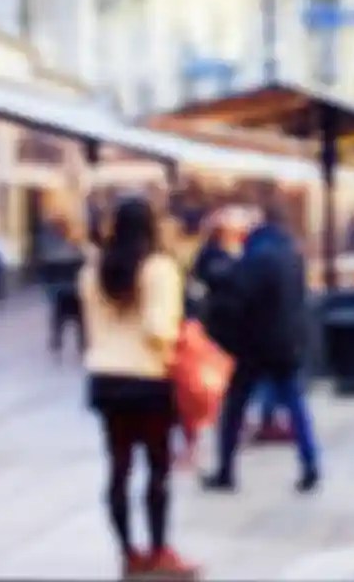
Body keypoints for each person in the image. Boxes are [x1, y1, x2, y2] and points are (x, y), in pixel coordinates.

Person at [79, 196, 198, 578]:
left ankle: (128, 552)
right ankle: (160, 548)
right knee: (157, 469)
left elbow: (91, 329)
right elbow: (159, 330)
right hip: (148, 380)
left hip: (105, 379)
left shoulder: (93, 270)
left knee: (118, 468)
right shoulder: (158, 268)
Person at [201, 200, 320, 493]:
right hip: (288, 342)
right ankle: (310, 463)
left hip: (256, 345)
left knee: (235, 406)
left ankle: (226, 469)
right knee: (295, 403)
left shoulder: (257, 256)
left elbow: (237, 291)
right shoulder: (292, 253)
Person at [37, 216, 86, 360]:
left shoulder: (53, 251)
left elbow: (45, 275)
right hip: (73, 292)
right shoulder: (75, 250)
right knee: (78, 322)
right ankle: (80, 346)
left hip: (60, 293)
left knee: (59, 321)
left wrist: (49, 292)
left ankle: (58, 346)